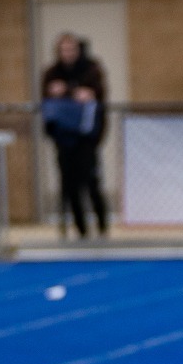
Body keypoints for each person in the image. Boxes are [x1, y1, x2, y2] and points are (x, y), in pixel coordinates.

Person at [41, 33, 110, 238]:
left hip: (86, 137)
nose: (68, 54)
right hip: (64, 137)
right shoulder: (52, 73)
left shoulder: (91, 69)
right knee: (69, 184)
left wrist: (71, 91)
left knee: (91, 181)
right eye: (64, 50)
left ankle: (102, 225)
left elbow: (97, 94)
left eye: (71, 50)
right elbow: (46, 98)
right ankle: (79, 228)